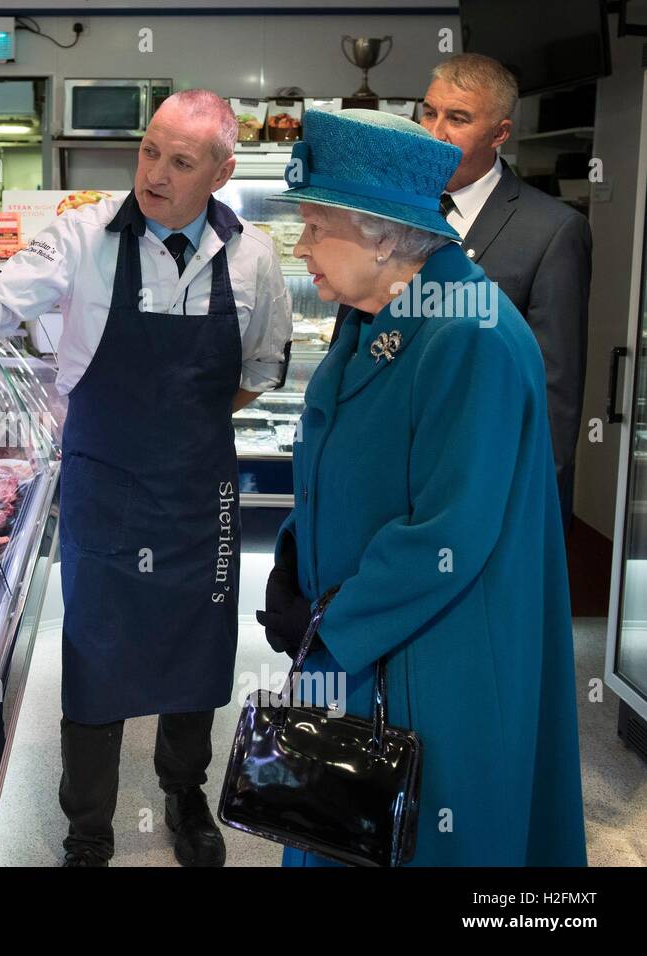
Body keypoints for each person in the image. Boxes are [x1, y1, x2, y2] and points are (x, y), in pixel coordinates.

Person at [0, 90, 291, 868]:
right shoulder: (83, 237)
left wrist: (179, 422)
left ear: (222, 171)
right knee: (97, 655)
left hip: (198, 495)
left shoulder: (255, 255)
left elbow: (260, 369)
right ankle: (88, 830)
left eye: (181, 162)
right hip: (104, 484)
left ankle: (186, 798)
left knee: (199, 656)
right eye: (150, 151)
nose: (155, 174)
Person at [258, 109, 585, 866]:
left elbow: (448, 531)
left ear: (380, 234)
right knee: (332, 824)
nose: (300, 247)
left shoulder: (472, 337)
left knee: (420, 836)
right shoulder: (370, 314)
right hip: (355, 644)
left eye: (313, 225)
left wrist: (329, 623)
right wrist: (293, 559)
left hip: (429, 659)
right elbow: (337, 461)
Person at [421, 53, 591, 530]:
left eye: (458, 119)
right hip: (399, 472)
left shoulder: (553, 229)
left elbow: (556, 387)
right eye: (429, 111)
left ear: (499, 133)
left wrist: (536, 507)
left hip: (489, 477)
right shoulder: (394, 210)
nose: (435, 132)